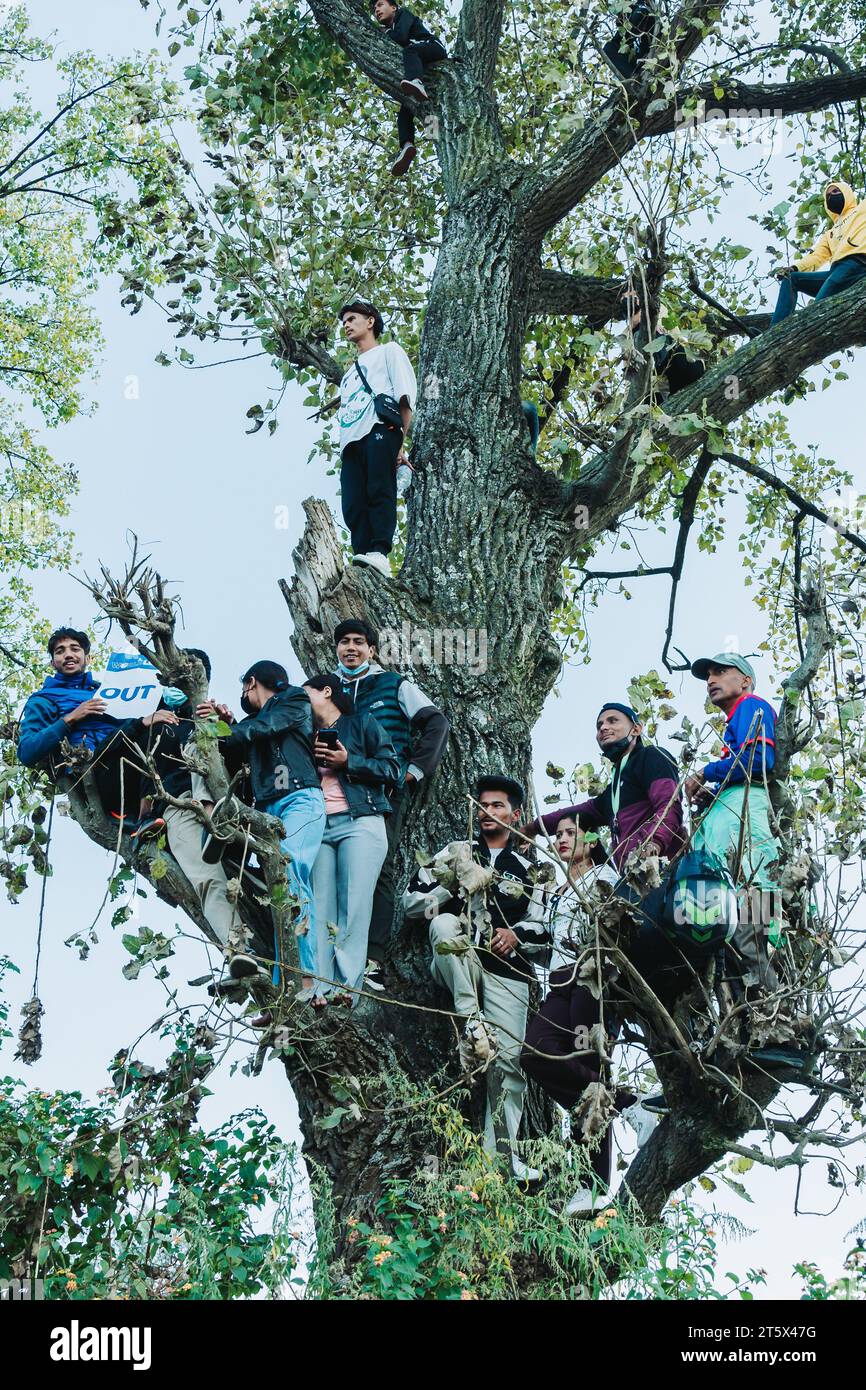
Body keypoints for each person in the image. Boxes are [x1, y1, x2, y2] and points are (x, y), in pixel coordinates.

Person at [403, 775, 550, 1182]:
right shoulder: (458, 852)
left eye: (499, 805)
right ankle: (471, 1018)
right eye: (483, 805)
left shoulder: (532, 868)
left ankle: (497, 1163)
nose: (489, 812)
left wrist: (515, 935)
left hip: (509, 975)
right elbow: (411, 901)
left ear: (515, 814)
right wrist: (453, 889)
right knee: (446, 924)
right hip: (459, 963)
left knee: (508, 1065)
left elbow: (545, 931)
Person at [521, 815, 659, 1217]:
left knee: (588, 1070)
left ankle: (593, 1185)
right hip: (560, 984)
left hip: (593, 985)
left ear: (591, 840)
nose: (562, 839)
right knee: (534, 1053)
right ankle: (632, 1104)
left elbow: (623, 927)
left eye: (571, 834)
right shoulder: (559, 890)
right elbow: (547, 943)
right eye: (558, 834)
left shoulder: (604, 877)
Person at [333, 617, 449, 985]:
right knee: (332, 866)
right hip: (334, 791)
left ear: (371, 649)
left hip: (382, 789)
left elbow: (437, 723)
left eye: (358, 642)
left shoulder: (393, 684)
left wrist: (414, 770)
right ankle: (330, 954)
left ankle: (372, 958)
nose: (351, 648)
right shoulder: (328, 688)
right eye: (344, 642)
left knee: (377, 868)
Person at [134, 648, 260, 971]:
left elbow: (241, 758)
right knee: (209, 880)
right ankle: (238, 952)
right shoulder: (150, 721)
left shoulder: (208, 714)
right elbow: (136, 771)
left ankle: (213, 818)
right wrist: (144, 819)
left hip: (224, 805)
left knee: (255, 887)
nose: (185, 678)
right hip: (178, 807)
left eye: (195, 671)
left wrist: (224, 724)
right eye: (179, 671)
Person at [211, 661, 326, 994]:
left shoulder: (292, 699)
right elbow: (240, 748)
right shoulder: (251, 723)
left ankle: (305, 982)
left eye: (243, 689)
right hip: (267, 810)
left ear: (251, 682)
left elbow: (265, 728)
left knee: (288, 871)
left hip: (301, 799)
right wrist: (223, 725)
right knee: (279, 890)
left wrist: (223, 732)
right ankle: (285, 990)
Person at [303, 673, 401, 1005]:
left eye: (306, 694)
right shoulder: (304, 736)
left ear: (326, 692)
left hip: (360, 821)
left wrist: (349, 762)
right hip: (318, 827)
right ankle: (318, 988)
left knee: (354, 907)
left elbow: (392, 769)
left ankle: (347, 990)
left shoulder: (362, 723)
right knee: (319, 909)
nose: (302, 702)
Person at [685, 653, 780, 990]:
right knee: (733, 947)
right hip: (732, 846)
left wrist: (707, 771)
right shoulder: (735, 721)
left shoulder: (752, 705)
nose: (711, 680)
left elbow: (758, 760)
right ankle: (749, 1025)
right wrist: (715, 792)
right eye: (708, 675)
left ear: (745, 681)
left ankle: (773, 1023)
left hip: (749, 849)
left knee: (750, 938)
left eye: (721, 672)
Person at [16, 626, 173, 821]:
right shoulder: (43, 699)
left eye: (75, 649)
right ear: (52, 663)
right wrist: (70, 718)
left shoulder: (110, 690)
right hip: (95, 775)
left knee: (165, 726)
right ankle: (145, 815)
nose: (68, 654)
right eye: (60, 651)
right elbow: (26, 752)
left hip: (134, 765)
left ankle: (158, 812)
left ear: (88, 658)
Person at [521, 702, 684, 873]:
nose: (603, 728)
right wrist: (532, 828)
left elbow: (669, 805)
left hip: (662, 870)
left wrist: (654, 843)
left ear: (636, 729)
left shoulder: (651, 757)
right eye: (599, 725)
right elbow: (575, 813)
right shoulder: (611, 792)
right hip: (631, 878)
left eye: (613, 721)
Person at [337, 301, 417, 576]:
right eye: (344, 321)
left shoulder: (389, 351)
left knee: (379, 489)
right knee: (352, 503)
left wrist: (400, 443)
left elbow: (405, 396)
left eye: (351, 318)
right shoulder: (347, 375)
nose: (346, 325)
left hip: (381, 429)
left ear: (370, 321)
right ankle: (361, 557)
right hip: (351, 442)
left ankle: (380, 552)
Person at [770, 180, 866, 327]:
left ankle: (803, 332)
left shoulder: (861, 210)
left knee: (816, 309)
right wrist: (795, 268)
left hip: (857, 264)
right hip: (836, 272)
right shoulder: (829, 234)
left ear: (846, 192)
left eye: (835, 191)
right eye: (828, 195)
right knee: (791, 279)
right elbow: (816, 257)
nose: (831, 196)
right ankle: (774, 332)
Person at [371, 0, 447, 177]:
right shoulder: (391, 28)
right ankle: (408, 145)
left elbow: (401, 38)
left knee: (410, 51)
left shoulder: (404, 15)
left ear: (394, 7)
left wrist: (385, 34)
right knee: (406, 112)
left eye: (381, 4)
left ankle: (416, 82)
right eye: (374, 8)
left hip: (434, 49)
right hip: (425, 68)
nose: (377, 9)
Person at [601, 1, 655, 80]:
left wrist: (622, 28)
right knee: (609, 48)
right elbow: (615, 46)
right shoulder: (625, 28)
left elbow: (637, 18)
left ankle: (634, 79)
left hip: (653, 53)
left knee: (611, 47)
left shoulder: (640, 9)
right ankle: (633, 79)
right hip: (639, 64)